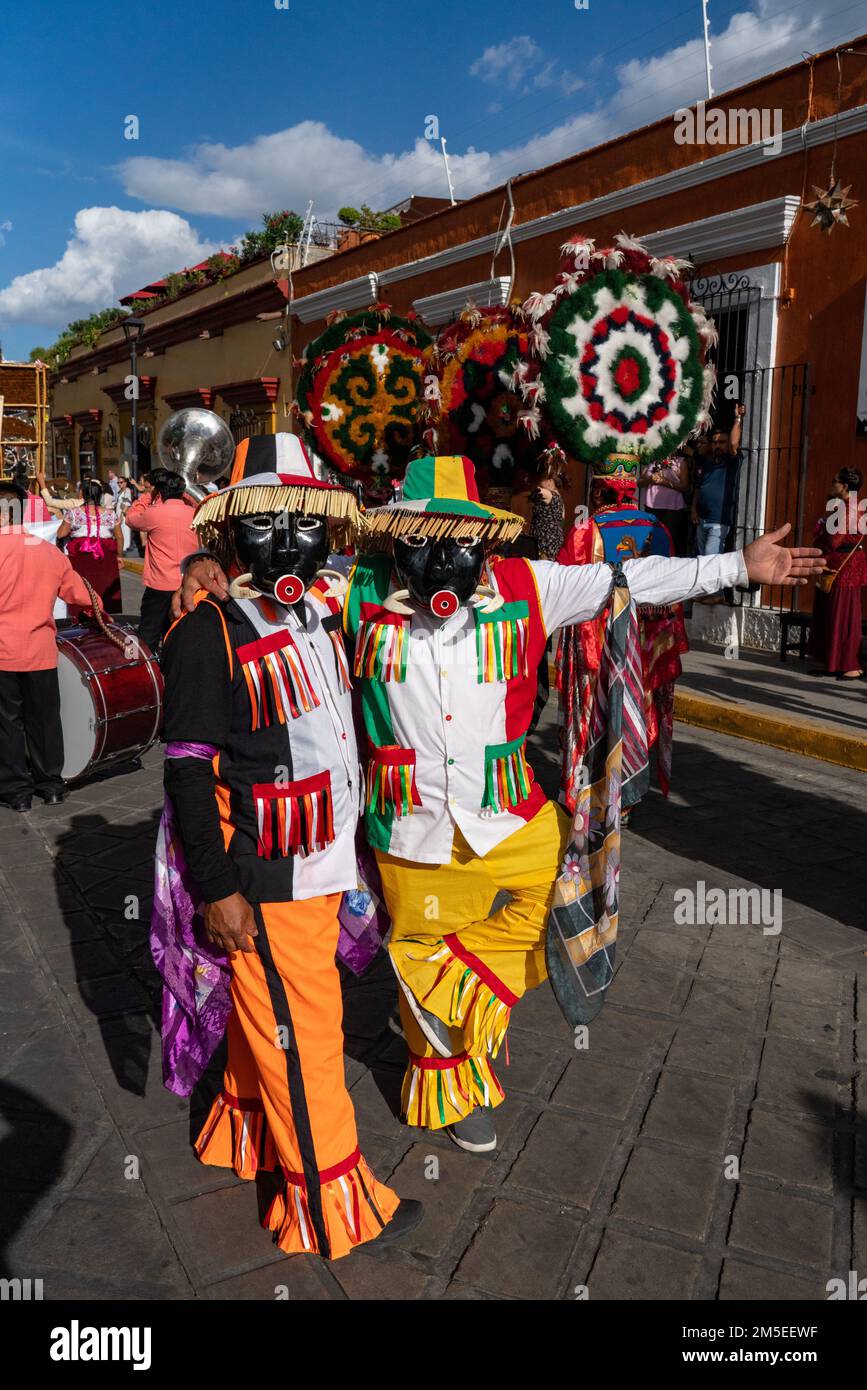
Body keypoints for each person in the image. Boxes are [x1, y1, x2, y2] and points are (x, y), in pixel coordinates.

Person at [181, 452, 823, 1159]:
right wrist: (203, 574)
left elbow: (630, 578)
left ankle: (469, 992)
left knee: (562, 909)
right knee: (419, 975)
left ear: (485, 541)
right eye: (420, 539)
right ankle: (453, 1088)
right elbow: (263, 591)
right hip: (410, 825)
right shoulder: (353, 590)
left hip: (513, 818)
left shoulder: (531, 584)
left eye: (458, 539)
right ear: (394, 539)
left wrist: (735, 565)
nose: (439, 557)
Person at [155, 433, 421, 1260]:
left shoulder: (319, 608)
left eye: (305, 526)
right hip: (266, 877)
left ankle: (241, 1134)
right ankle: (331, 1203)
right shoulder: (210, 635)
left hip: (324, 863)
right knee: (307, 1032)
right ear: (232, 537)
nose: (288, 543)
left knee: (266, 1018)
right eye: (265, 527)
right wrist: (216, 888)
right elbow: (188, 771)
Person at [557, 452, 689, 821]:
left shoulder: (587, 530)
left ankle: (591, 789)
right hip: (643, 645)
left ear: (599, 491)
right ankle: (627, 796)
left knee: (595, 712)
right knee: (637, 708)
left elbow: (564, 588)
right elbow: (673, 591)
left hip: (599, 643)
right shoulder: (658, 530)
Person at [0, 477, 94, 811]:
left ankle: (16, 791)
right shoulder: (49, 553)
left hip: (3, 652)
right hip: (41, 649)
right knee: (45, 719)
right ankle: (51, 784)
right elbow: (82, 596)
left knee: (8, 722)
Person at [126, 470, 198, 651]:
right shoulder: (194, 513)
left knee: (148, 633)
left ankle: (143, 671)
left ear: (159, 491)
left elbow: (130, 519)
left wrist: (146, 498)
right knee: (179, 631)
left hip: (160, 584)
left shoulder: (155, 512)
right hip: (188, 583)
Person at [808, 467, 866, 679]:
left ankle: (850, 665)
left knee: (843, 616)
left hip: (844, 568)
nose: (831, 484)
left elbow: (834, 540)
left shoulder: (849, 508)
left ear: (845, 486)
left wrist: (822, 528)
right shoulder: (847, 506)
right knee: (832, 614)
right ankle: (831, 663)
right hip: (838, 565)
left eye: (835, 481)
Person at [55, 478, 124, 617]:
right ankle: (106, 621)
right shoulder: (111, 514)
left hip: (82, 557)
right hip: (105, 557)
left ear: (83, 495)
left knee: (83, 590)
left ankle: (82, 621)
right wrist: (119, 556)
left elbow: (61, 533)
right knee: (105, 587)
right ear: (100, 495)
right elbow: (120, 537)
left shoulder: (74, 513)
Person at [691, 404, 745, 560]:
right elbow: (698, 488)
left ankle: (713, 585)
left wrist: (737, 418)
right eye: (715, 443)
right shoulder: (707, 463)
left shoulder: (731, 461)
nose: (717, 446)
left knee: (710, 559)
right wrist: (694, 510)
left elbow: (734, 444)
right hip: (702, 520)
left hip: (719, 521)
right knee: (701, 558)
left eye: (722, 442)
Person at [639, 449, 691, 556]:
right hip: (651, 507)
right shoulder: (651, 461)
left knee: (670, 541)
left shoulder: (680, 461)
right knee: (651, 541)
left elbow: (685, 486)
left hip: (673, 509)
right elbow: (639, 483)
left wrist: (664, 482)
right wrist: (650, 480)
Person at [528, 449, 568, 560]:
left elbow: (537, 492)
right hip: (546, 541)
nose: (547, 481)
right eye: (545, 478)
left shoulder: (549, 494)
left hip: (546, 544)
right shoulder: (557, 495)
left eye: (550, 478)